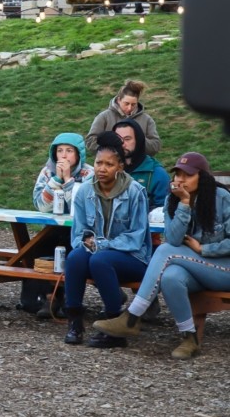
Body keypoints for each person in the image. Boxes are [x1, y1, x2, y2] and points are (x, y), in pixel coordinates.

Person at [92, 153, 230, 359]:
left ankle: (132, 317)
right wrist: (184, 204)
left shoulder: (222, 198)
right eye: (177, 175)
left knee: (164, 251)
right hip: (193, 268)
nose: (180, 180)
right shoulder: (172, 200)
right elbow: (174, 240)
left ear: (203, 177)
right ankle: (190, 338)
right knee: (171, 277)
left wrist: (203, 250)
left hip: (223, 270)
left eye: (188, 175)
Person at [62, 132, 152, 348]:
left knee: (100, 260)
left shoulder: (135, 192)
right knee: (75, 257)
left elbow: (136, 237)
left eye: (109, 164)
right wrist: (85, 243)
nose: (102, 168)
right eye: (98, 163)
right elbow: (78, 232)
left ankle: (116, 327)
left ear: (120, 166)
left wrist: (101, 245)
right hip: (97, 254)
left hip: (133, 257)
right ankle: (74, 321)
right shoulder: (84, 191)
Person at [26, 133, 95, 317]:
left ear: (79, 154)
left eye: (69, 151)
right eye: (60, 151)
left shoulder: (89, 174)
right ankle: (49, 298)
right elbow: (41, 205)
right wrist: (55, 179)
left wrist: (67, 181)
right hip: (52, 227)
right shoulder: (47, 172)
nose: (64, 156)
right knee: (38, 248)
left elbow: (83, 206)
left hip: (81, 229)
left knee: (73, 252)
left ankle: (69, 300)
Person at [85, 79, 161, 157]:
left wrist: (138, 139)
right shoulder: (104, 117)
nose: (129, 108)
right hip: (110, 163)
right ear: (118, 100)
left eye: (133, 104)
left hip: (138, 164)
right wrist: (109, 150)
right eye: (126, 103)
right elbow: (90, 141)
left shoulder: (147, 120)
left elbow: (155, 146)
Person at [112, 119, 170, 210]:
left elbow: (163, 212)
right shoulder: (108, 169)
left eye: (127, 139)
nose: (122, 144)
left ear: (138, 140)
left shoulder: (156, 174)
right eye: (118, 139)